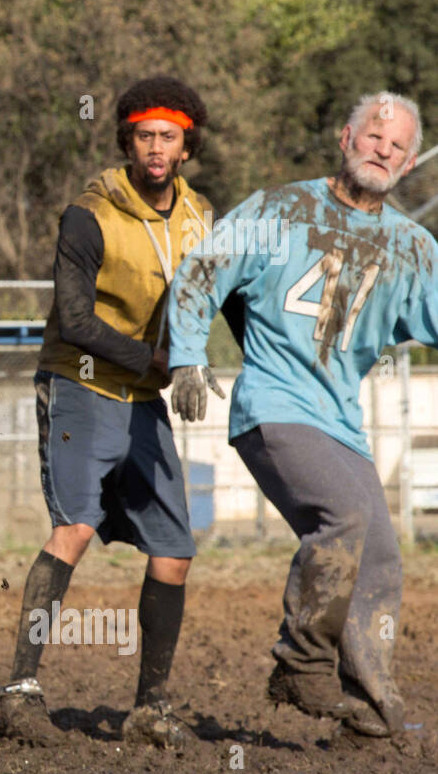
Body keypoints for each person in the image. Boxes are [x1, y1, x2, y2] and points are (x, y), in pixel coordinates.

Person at [169, 92, 436, 739]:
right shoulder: (278, 209)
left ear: (406, 164)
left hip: (341, 423)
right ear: (347, 137)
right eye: (375, 136)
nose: (384, 149)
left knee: (380, 558)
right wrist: (185, 357)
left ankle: (367, 706)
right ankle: (300, 661)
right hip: (274, 408)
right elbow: (200, 275)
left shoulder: (413, 248)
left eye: (398, 146)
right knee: (342, 515)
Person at [0, 77, 214, 750]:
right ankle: (18, 692)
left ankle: (149, 707)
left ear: (185, 147)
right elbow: (77, 319)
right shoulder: (88, 214)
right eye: (144, 135)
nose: (155, 147)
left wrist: (218, 358)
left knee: (175, 549)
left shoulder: (201, 216)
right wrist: (162, 363)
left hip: (145, 397)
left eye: (167, 137)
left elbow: (217, 298)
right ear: (127, 140)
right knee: (77, 528)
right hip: (81, 383)